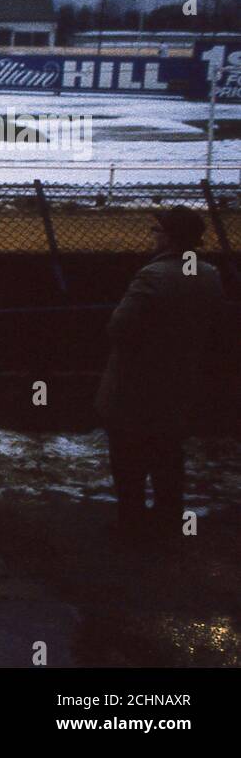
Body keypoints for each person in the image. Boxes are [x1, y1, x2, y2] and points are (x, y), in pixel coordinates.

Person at [96, 207, 226, 541]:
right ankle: (167, 523)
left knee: (128, 459)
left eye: (157, 230)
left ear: (169, 236)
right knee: (168, 456)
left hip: (136, 385)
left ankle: (132, 525)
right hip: (180, 382)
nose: (153, 235)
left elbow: (119, 328)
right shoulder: (210, 273)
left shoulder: (153, 276)